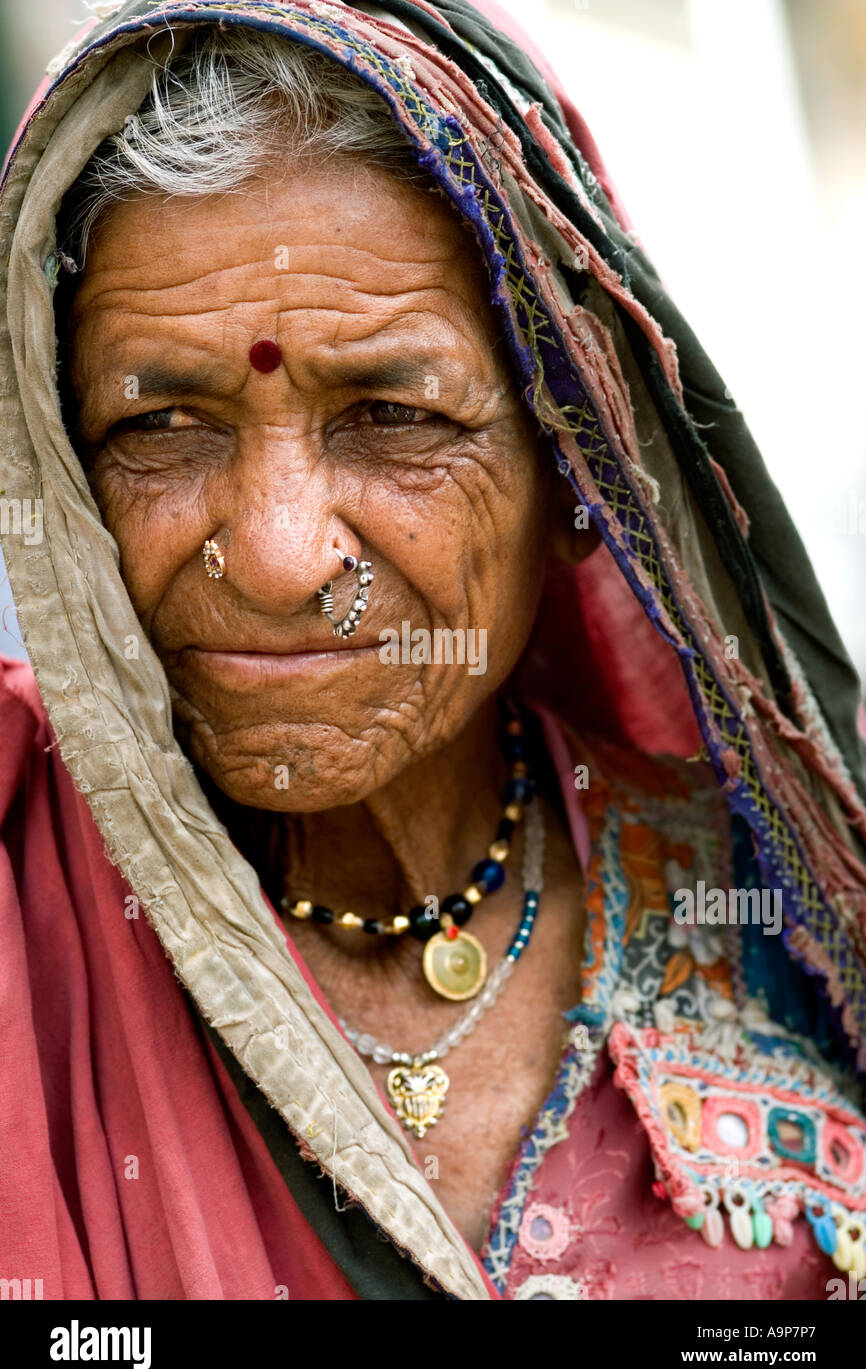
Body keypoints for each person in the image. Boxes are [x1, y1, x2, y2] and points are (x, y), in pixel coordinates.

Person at [1, 0, 864, 1301]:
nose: (281, 556)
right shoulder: (24, 879)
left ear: (583, 477)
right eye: (163, 423)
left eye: (392, 415)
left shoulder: (784, 932)